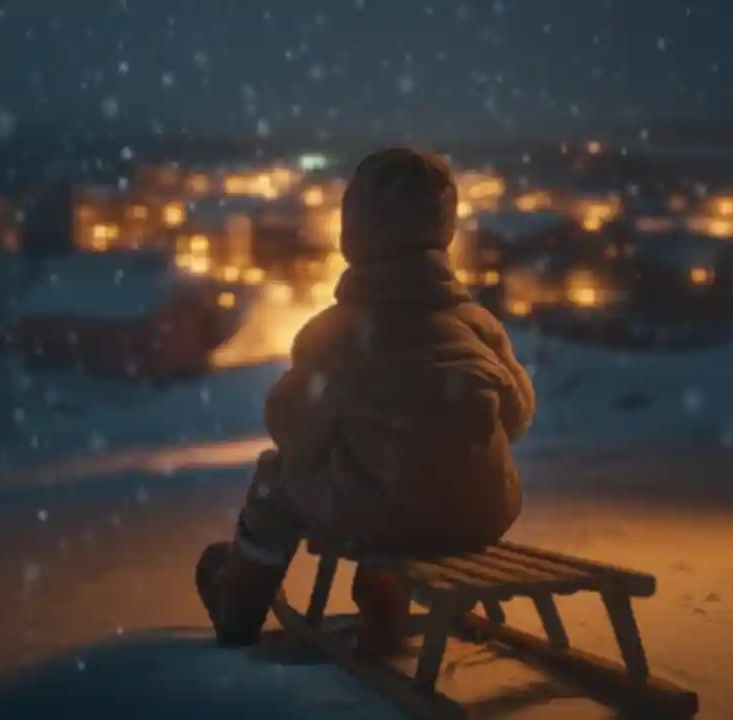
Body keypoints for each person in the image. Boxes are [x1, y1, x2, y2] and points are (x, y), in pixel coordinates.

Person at [195, 148, 536, 653]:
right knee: (395, 471)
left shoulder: (337, 332)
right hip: (482, 515)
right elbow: (518, 417)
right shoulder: (476, 325)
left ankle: (238, 606)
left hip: (383, 519)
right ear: (444, 232)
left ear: (352, 232)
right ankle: (383, 596)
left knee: (277, 477)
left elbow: (289, 427)